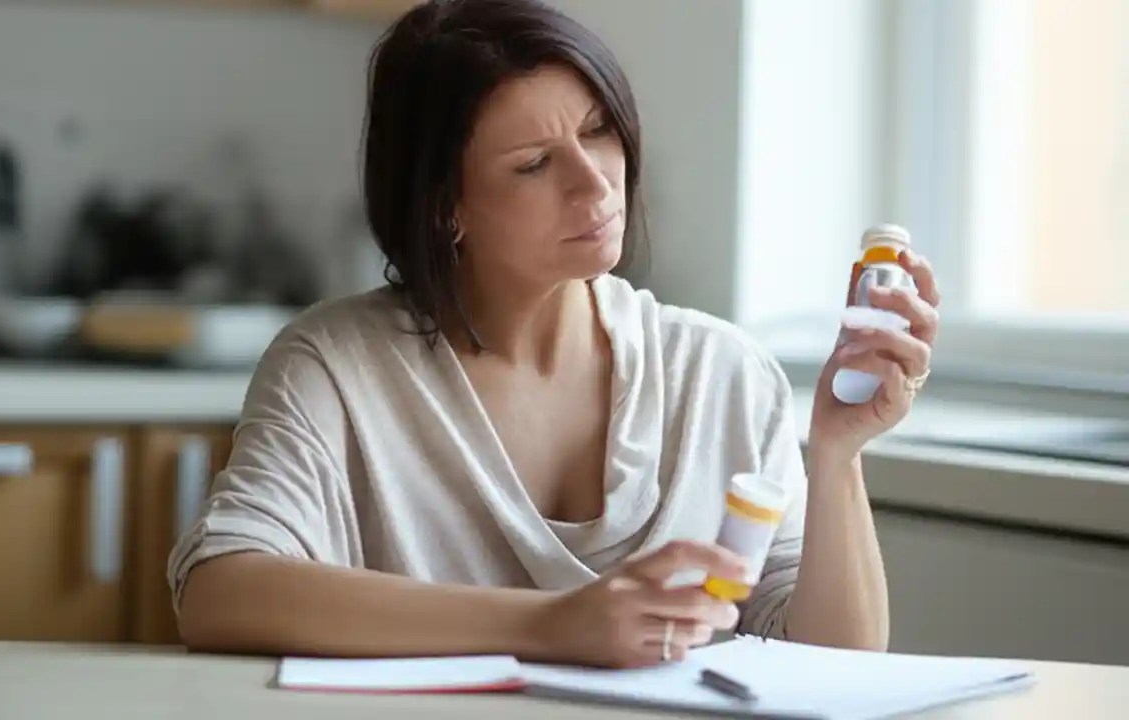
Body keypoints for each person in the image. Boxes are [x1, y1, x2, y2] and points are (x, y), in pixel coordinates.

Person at [169, 0, 940, 669]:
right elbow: (220, 590)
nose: (595, 180)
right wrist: (552, 623)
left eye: (599, 131)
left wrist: (838, 454)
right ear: (446, 208)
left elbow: (834, 663)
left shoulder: (723, 373)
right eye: (536, 164)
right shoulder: (335, 367)